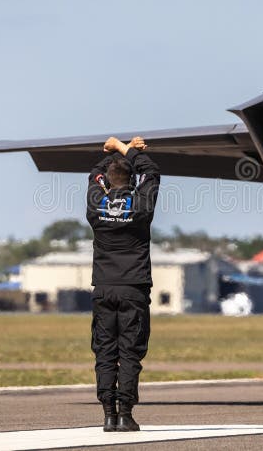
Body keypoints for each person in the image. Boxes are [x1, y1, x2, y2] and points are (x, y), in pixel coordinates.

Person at [86, 135, 160, 432]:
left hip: (103, 287)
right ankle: (125, 414)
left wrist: (113, 150)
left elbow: (95, 175)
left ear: (106, 180)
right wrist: (129, 150)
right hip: (133, 287)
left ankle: (107, 414)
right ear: (132, 179)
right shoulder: (140, 206)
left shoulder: (96, 205)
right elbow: (152, 172)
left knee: (105, 351)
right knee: (129, 352)